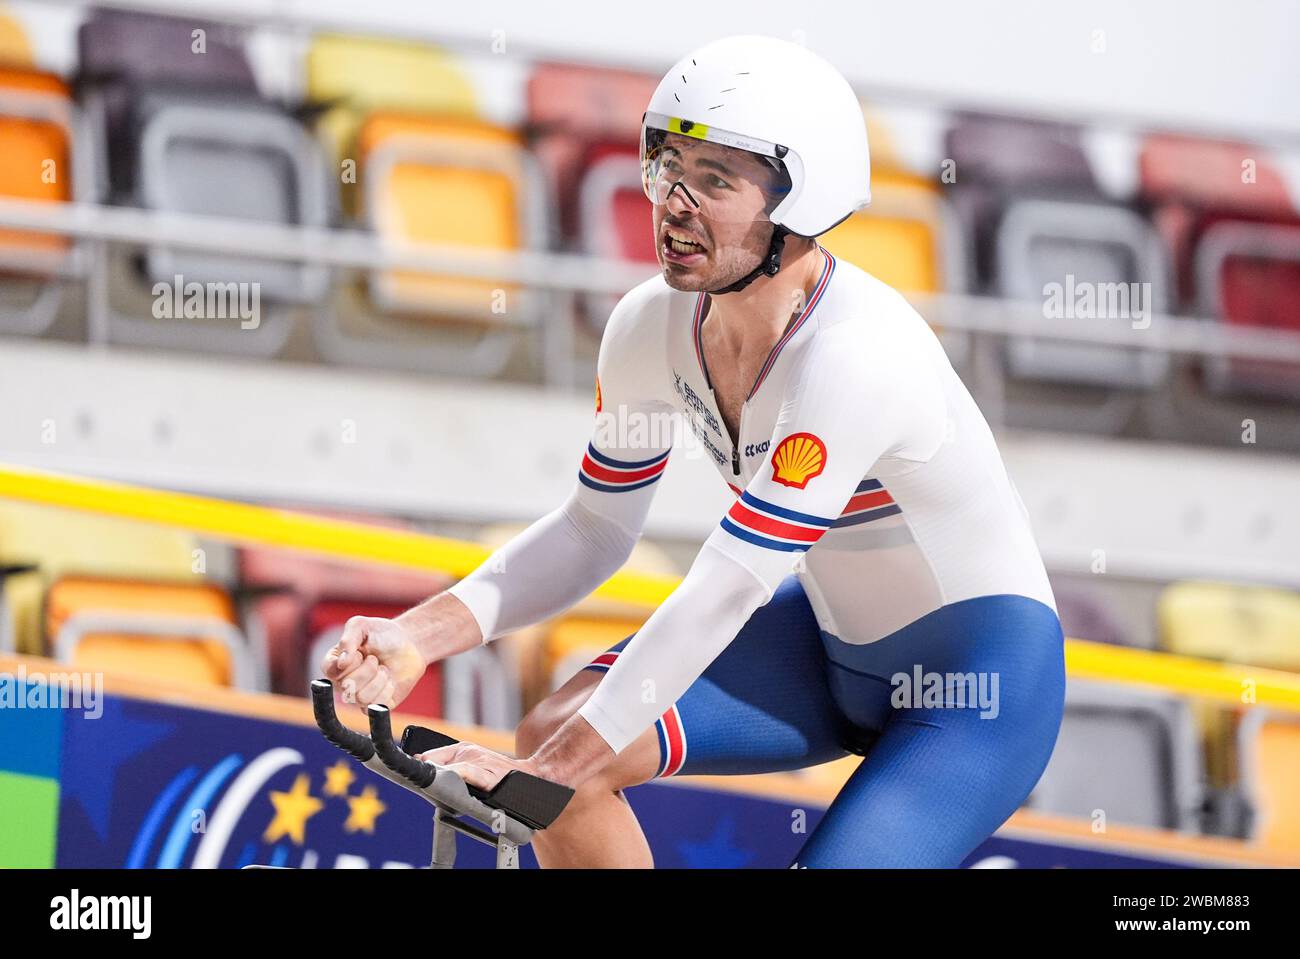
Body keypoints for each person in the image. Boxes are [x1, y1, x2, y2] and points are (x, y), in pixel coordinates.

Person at [323, 34, 1065, 868]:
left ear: (800, 204)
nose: (674, 202)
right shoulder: (649, 327)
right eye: (667, 165)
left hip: (975, 693)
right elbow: (592, 530)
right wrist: (421, 635)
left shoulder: (859, 356)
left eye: (715, 180)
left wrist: (543, 777)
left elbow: (729, 584)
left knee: (565, 757)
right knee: (553, 729)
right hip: (826, 646)